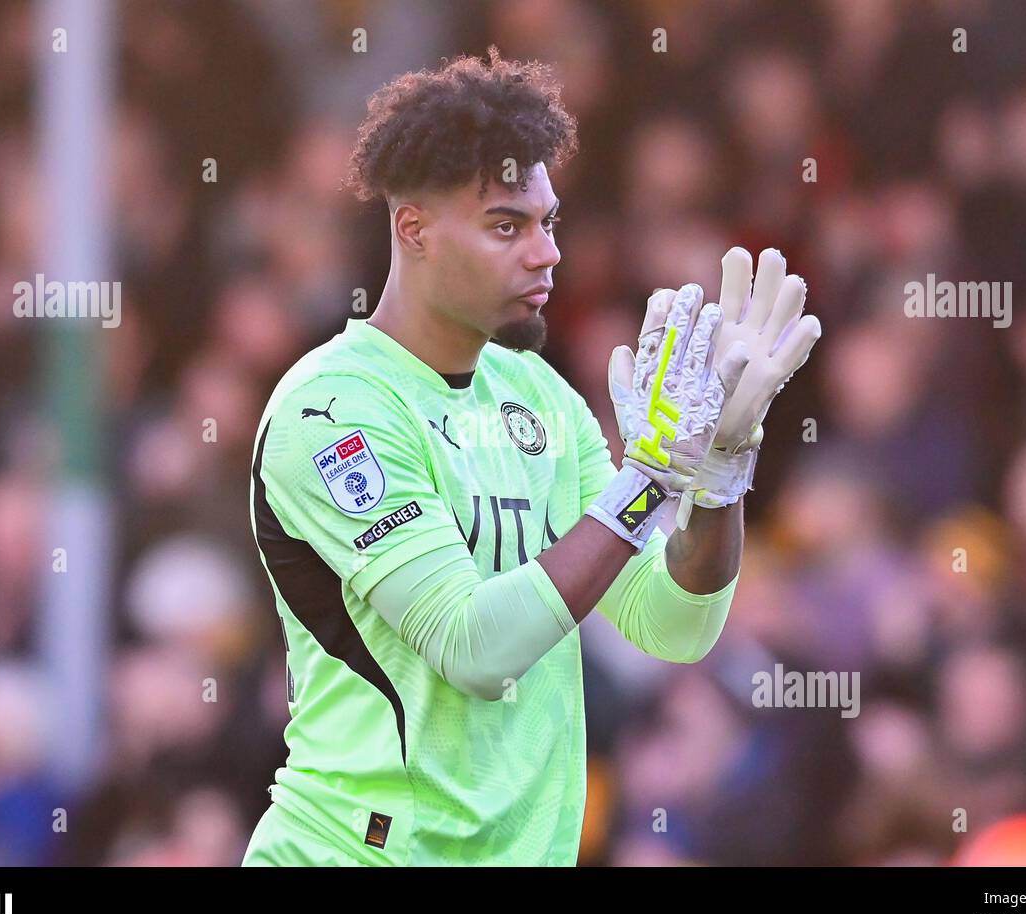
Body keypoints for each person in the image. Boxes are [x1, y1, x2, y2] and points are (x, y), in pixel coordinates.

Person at [242, 48, 819, 866]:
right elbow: (475, 648)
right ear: (414, 229)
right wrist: (649, 477)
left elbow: (673, 625)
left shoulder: (538, 397)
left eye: (548, 221)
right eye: (506, 226)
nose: (545, 252)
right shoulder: (332, 410)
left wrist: (714, 481)